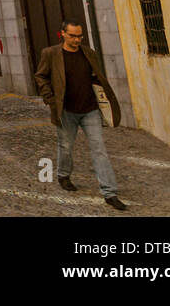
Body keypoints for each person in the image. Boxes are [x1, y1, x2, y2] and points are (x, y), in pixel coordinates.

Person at [34, 18, 127, 210]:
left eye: (80, 36)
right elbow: (40, 76)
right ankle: (63, 175)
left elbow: (96, 76)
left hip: (90, 110)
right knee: (66, 146)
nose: (77, 40)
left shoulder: (89, 53)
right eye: (73, 36)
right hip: (66, 110)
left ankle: (109, 193)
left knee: (99, 149)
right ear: (63, 34)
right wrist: (49, 99)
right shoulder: (51, 54)